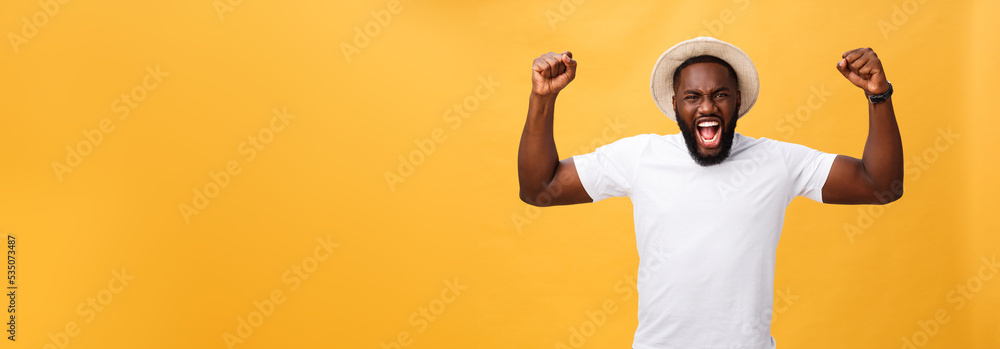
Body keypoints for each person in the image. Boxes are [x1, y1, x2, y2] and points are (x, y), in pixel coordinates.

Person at [516, 37, 903, 349]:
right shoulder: (641, 156)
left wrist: (878, 95)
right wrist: (542, 99)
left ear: (738, 101)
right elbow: (540, 188)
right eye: (692, 97)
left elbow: (881, 186)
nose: (707, 106)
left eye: (720, 95)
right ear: (674, 105)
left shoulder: (776, 160)